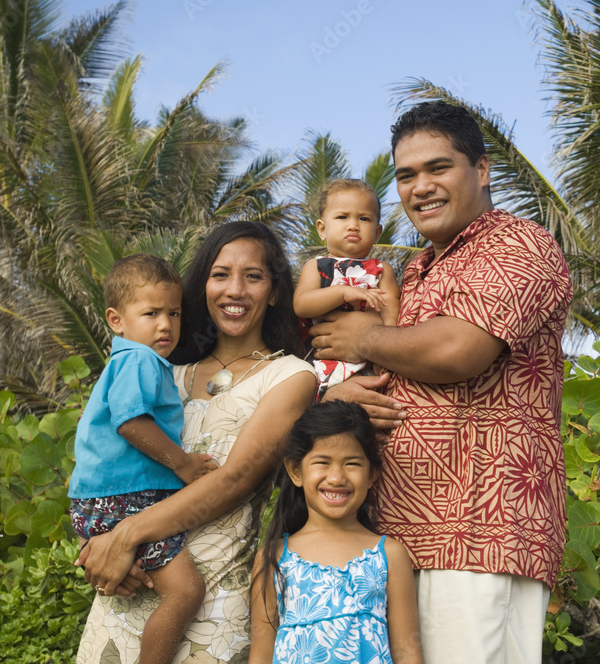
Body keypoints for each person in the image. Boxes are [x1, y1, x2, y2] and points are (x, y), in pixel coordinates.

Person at [310, 101, 573, 664]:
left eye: (438, 168)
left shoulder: (517, 243)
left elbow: (459, 350)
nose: (420, 187)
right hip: (397, 537)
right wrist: (341, 394)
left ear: (481, 170)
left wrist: (361, 339)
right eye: (406, 176)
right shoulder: (421, 267)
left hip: (481, 533)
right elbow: (396, 373)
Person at [74, 221, 318, 663]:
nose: (235, 290)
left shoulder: (292, 376)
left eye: (254, 276)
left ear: (276, 291)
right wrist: (100, 541)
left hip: (212, 601)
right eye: (220, 274)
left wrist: (123, 535)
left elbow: (235, 481)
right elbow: (110, 457)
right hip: (131, 583)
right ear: (202, 286)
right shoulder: (166, 372)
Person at [68, 254, 215, 664]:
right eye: (151, 313)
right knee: (186, 591)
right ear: (117, 320)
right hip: (127, 497)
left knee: (141, 582)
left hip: (101, 499)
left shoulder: (127, 361)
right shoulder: (139, 359)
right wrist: (184, 464)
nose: (165, 324)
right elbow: (130, 422)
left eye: (174, 312)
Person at [248, 399, 422, 664]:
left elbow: (408, 653)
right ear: (296, 471)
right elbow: (261, 653)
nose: (337, 478)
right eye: (323, 462)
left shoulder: (389, 555)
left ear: (372, 475)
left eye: (351, 463)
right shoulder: (274, 557)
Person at [293, 178, 400, 397]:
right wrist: (342, 292)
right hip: (323, 362)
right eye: (342, 217)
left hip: (369, 360)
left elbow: (392, 310)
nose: (353, 225)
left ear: (377, 233)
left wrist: (388, 351)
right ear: (322, 229)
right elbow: (302, 305)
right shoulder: (316, 267)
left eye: (364, 218)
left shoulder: (382, 270)